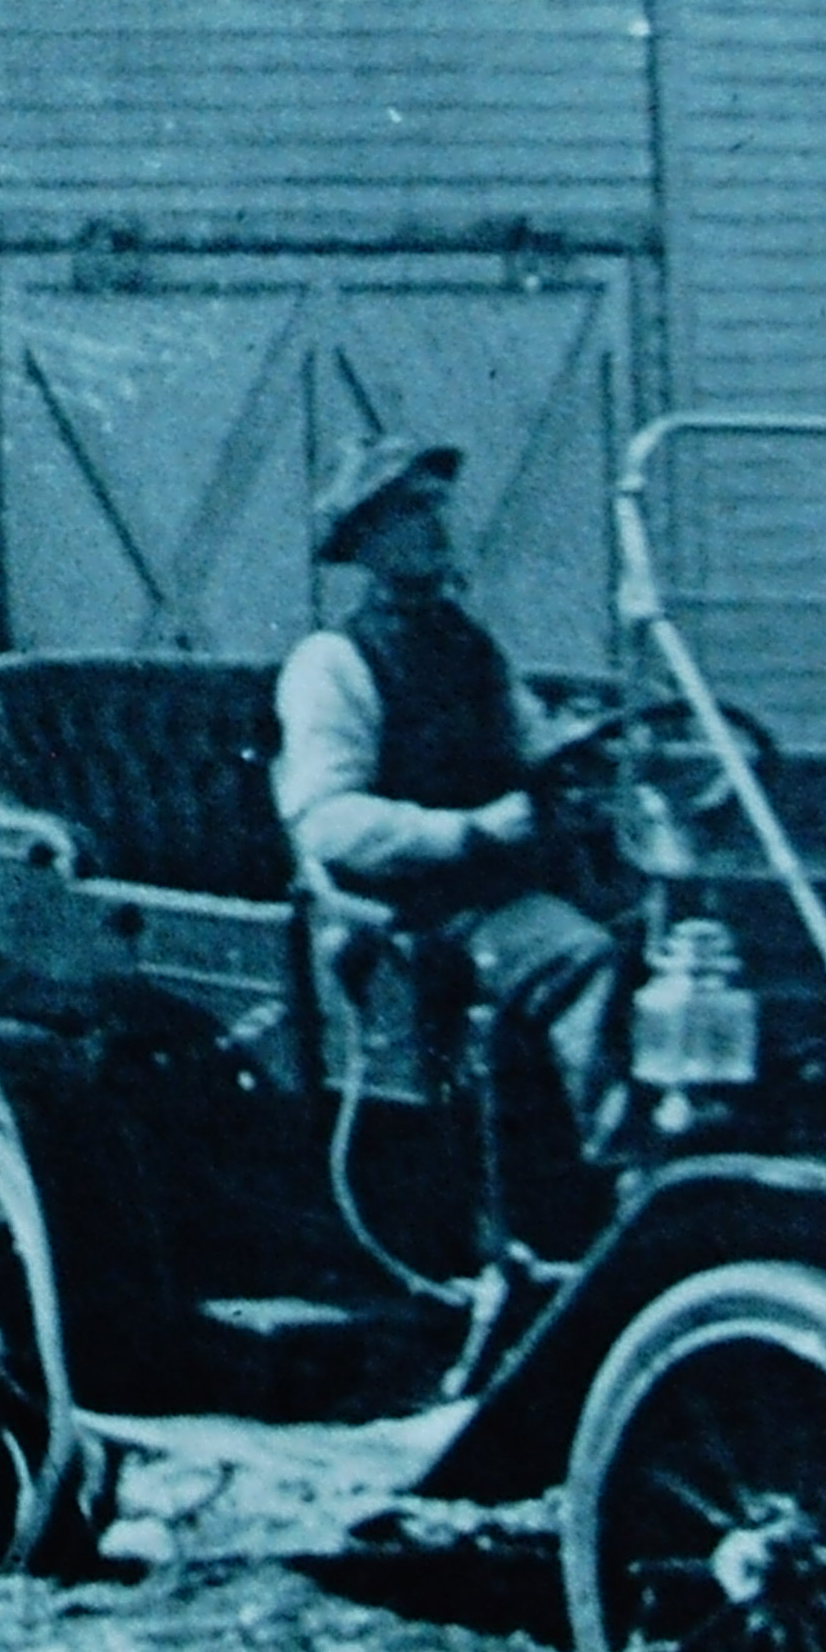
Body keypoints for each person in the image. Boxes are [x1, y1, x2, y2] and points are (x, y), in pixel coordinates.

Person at [274, 433, 638, 1268]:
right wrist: (467, 831)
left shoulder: (470, 646)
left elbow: (533, 742)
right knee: (583, 958)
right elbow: (326, 822)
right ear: (367, 538)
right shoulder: (333, 663)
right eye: (412, 511)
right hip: (423, 914)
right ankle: (626, 1182)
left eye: (439, 507)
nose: (437, 526)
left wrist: (580, 756)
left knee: (678, 935)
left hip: (512, 890)